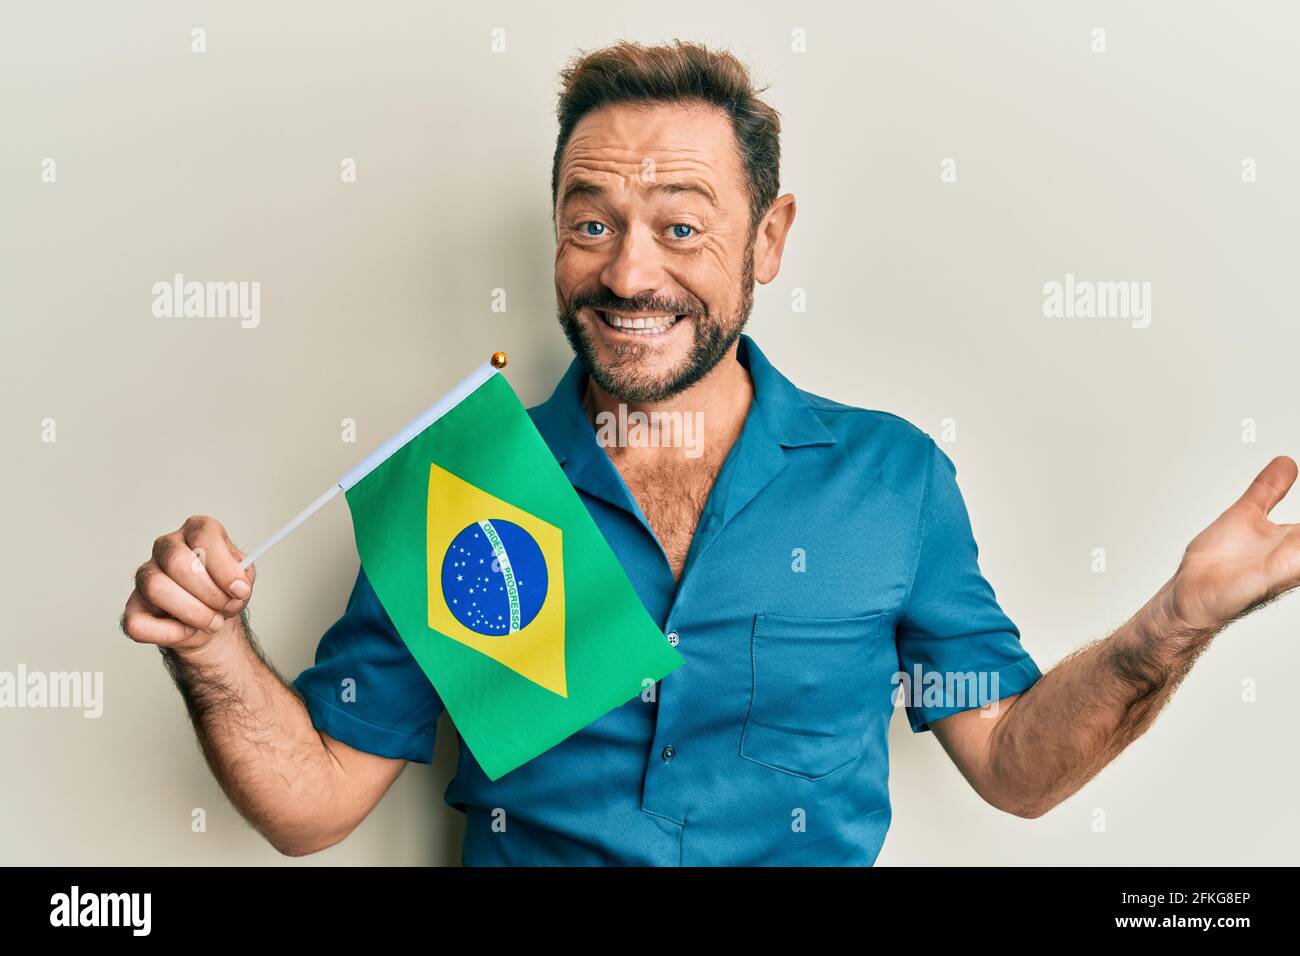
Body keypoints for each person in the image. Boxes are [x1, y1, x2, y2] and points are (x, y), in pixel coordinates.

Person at [121, 40, 1300, 865]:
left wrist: (1174, 620)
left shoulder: (891, 483)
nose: (628, 272)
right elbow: (315, 802)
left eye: (680, 226)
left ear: (768, 239)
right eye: (591, 222)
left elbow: (1014, 766)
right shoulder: (465, 488)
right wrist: (210, 648)